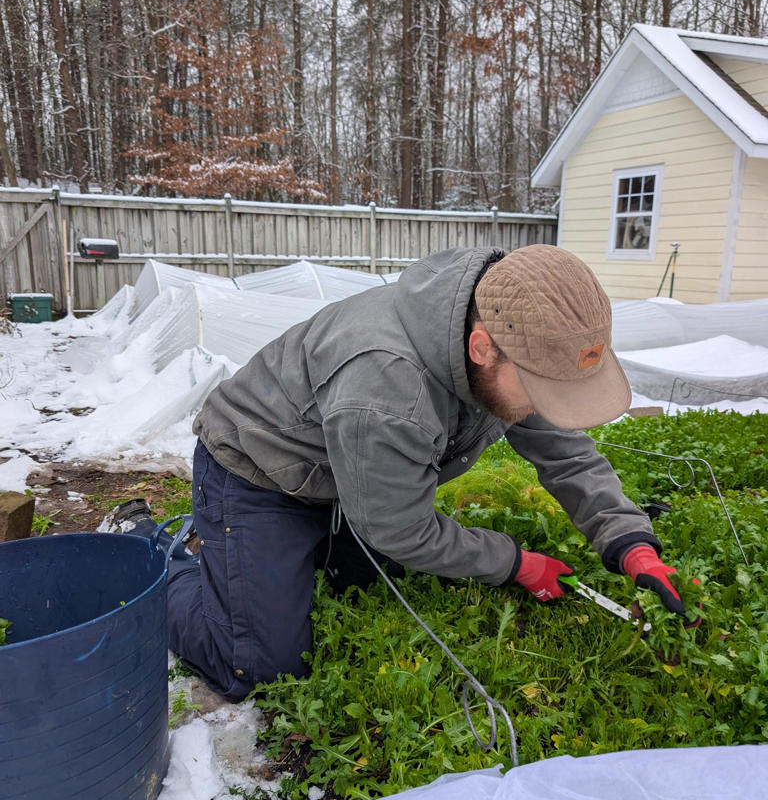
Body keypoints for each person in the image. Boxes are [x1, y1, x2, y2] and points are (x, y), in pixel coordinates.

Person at [108, 244, 695, 701]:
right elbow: (402, 530)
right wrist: (516, 562)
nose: (546, 405)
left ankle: (240, 559)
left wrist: (630, 543)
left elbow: (563, 450)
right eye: (541, 389)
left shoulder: (500, 314)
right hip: (258, 470)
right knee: (259, 665)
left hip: (346, 470)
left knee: (360, 585)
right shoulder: (387, 389)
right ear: (482, 348)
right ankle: (149, 550)